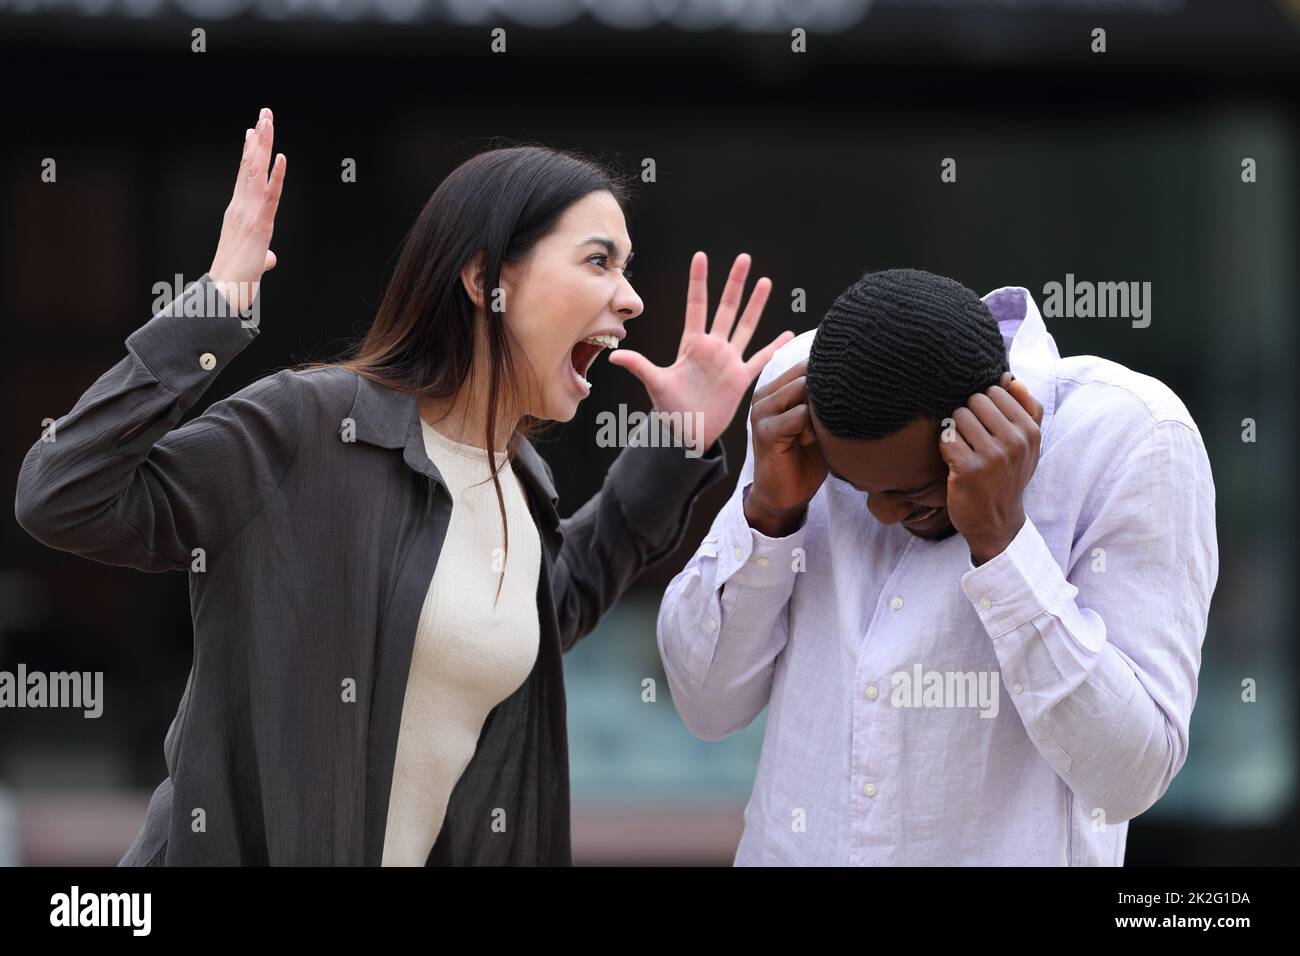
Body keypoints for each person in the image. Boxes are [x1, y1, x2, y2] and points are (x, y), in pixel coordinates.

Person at [13, 106, 794, 865]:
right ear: (487, 277)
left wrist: (676, 443)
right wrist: (216, 304)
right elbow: (64, 490)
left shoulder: (519, 479)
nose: (630, 298)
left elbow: (552, 605)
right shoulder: (310, 427)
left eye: (625, 266)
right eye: (599, 261)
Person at [656, 267, 1219, 865]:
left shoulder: (1132, 441)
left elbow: (1128, 778)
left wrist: (1003, 545)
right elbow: (707, 706)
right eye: (853, 487)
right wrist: (768, 514)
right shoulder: (803, 400)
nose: (880, 511)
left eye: (915, 491)